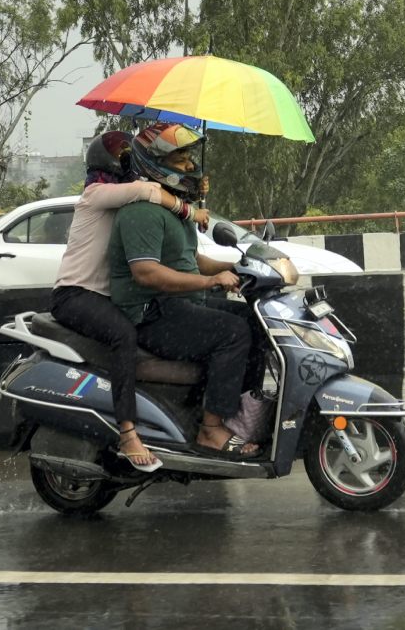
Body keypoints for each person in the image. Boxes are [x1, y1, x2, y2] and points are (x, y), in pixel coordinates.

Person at [50, 130, 210, 473]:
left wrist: (193, 188)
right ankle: (127, 432)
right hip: (75, 295)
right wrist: (189, 210)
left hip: (105, 296)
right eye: (129, 160)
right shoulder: (97, 194)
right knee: (123, 334)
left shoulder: (126, 201)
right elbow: (146, 189)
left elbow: (157, 192)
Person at [109, 123, 266, 460]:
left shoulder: (173, 210)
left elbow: (190, 260)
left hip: (178, 303)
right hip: (150, 313)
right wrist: (211, 282)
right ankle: (210, 431)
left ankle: (234, 416)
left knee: (255, 321)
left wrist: (237, 268)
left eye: (188, 158)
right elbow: (147, 273)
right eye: (181, 159)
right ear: (156, 164)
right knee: (233, 332)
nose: (191, 166)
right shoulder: (142, 213)